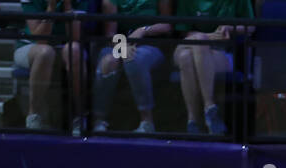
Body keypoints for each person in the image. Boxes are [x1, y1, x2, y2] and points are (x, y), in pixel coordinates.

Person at [173, 0, 257, 135]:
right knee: (197, 43)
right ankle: (210, 107)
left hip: (221, 52)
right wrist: (208, 37)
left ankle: (193, 122)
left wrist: (230, 27)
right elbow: (185, 32)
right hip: (189, 44)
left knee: (185, 58)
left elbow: (251, 27)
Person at [92, 0, 173, 134]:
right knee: (108, 61)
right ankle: (99, 120)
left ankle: (147, 121)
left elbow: (167, 26)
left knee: (133, 59)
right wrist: (124, 46)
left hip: (151, 45)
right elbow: (110, 34)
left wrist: (143, 30)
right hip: (118, 44)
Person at [15, 0, 85, 134]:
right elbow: (40, 39)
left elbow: (75, 37)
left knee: (74, 50)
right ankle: (34, 116)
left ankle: (79, 116)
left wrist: (67, 6)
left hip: (65, 46)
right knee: (45, 52)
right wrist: (51, 7)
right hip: (31, 46)